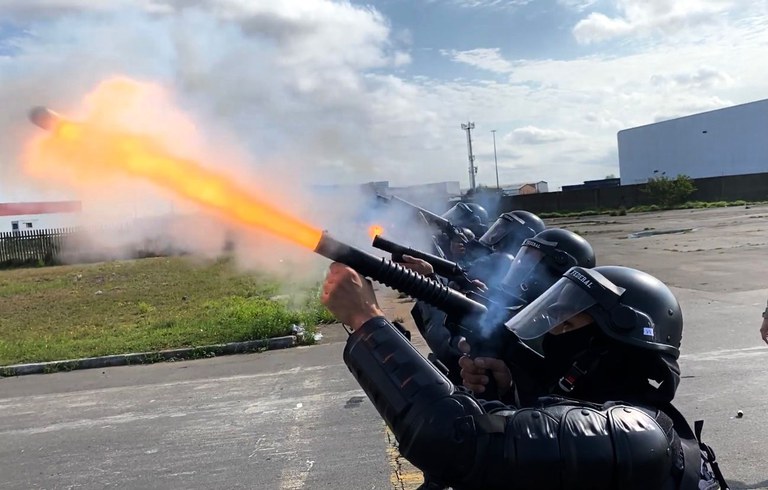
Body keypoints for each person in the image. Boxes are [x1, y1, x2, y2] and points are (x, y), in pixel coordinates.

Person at [321, 262, 727, 489]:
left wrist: (366, 320)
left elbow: (454, 438)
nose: (553, 337)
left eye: (568, 329)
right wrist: (512, 391)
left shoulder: (635, 433)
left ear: (608, 349)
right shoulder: (629, 421)